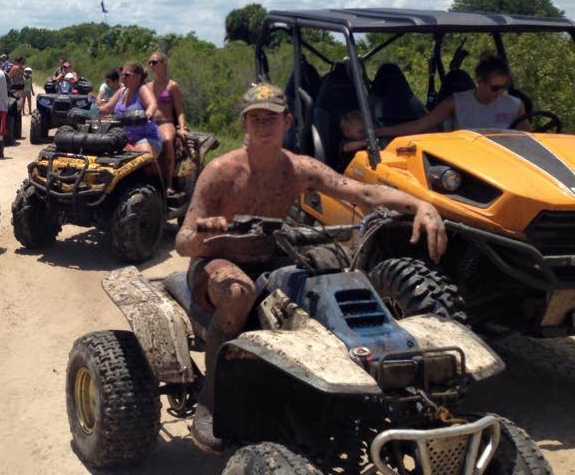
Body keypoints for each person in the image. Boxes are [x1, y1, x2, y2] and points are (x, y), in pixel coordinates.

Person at [175, 82, 448, 453]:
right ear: (244, 125)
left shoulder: (299, 168)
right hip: (216, 264)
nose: (262, 126)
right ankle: (211, 399)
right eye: (254, 119)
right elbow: (183, 241)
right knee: (240, 292)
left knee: (331, 283)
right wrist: (206, 233)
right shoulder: (221, 172)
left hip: (271, 259)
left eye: (270, 118)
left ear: (287, 120)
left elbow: (362, 192)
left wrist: (421, 206)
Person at [376, 52, 529, 137]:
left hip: (505, 160)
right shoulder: (456, 102)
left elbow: (530, 139)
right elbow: (420, 124)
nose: (501, 92)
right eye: (495, 88)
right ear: (479, 81)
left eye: (505, 87)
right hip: (464, 160)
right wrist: (378, 132)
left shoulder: (515, 105)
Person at [98, 61, 161, 155]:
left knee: (142, 155)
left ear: (138, 76)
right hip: (123, 139)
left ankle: (156, 170)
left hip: (145, 139)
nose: (123, 78)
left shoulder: (142, 89)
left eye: (127, 75)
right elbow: (107, 109)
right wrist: (89, 112)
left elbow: (152, 104)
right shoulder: (122, 91)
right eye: (122, 75)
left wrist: (148, 113)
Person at [148, 51, 188, 193]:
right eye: (150, 62)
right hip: (151, 122)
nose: (151, 65)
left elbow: (179, 109)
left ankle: (169, 182)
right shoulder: (147, 87)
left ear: (164, 64)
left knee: (166, 140)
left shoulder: (172, 86)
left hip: (166, 122)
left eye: (155, 62)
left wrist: (182, 127)